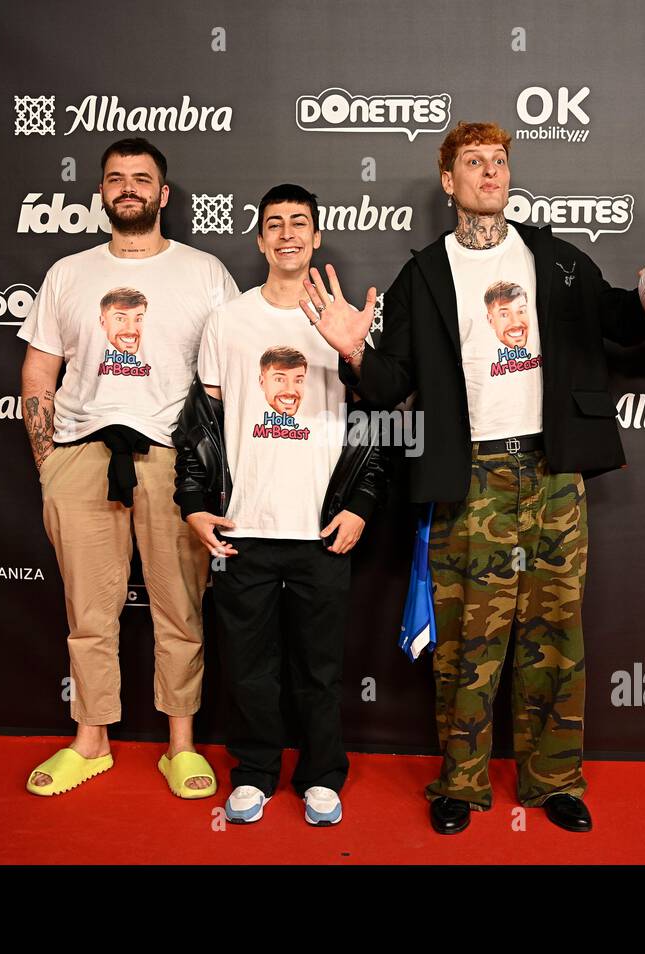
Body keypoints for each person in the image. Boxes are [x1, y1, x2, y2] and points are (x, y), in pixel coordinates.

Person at [305, 122, 645, 834]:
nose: (490, 171)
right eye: (474, 161)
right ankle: (462, 787)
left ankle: (554, 779)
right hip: (470, 476)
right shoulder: (426, 275)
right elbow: (391, 383)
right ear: (449, 181)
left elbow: (627, 318)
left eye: (499, 161)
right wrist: (353, 350)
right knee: (470, 640)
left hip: (553, 471)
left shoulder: (555, 261)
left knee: (556, 633)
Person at [19, 137, 238, 798]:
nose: (129, 188)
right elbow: (39, 369)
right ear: (102, 193)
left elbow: (229, 371)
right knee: (89, 611)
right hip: (82, 457)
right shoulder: (68, 273)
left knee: (180, 608)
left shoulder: (203, 272)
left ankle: (180, 745)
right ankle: (91, 741)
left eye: (142, 179)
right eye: (116, 179)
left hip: (173, 462)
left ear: (163, 194)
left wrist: (208, 457)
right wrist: (47, 461)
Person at [172, 183, 388, 826]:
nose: (288, 233)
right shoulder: (229, 320)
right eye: (275, 224)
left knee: (319, 670)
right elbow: (201, 424)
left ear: (318, 237)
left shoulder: (345, 320)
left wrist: (364, 505)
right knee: (251, 668)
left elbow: (378, 420)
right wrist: (192, 501)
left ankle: (322, 776)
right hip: (246, 528)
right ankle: (256, 772)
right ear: (260, 238)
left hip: (323, 529)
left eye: (300, 223)